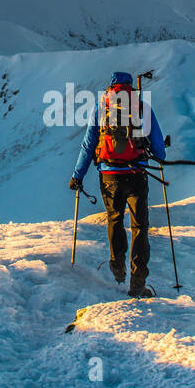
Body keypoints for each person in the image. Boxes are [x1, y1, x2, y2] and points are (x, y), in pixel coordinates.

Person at [69, 71, 166, 298]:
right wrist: (158, 156)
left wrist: (77, 176)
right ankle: (138, 281)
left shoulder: (100, 108)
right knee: (139, 226)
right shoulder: (142, 108)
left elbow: (88, 145)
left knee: (115, 219)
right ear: (131, 87)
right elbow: (159, 147)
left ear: (111, 87)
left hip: (109, 174)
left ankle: (117, 263)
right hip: (136, 174)